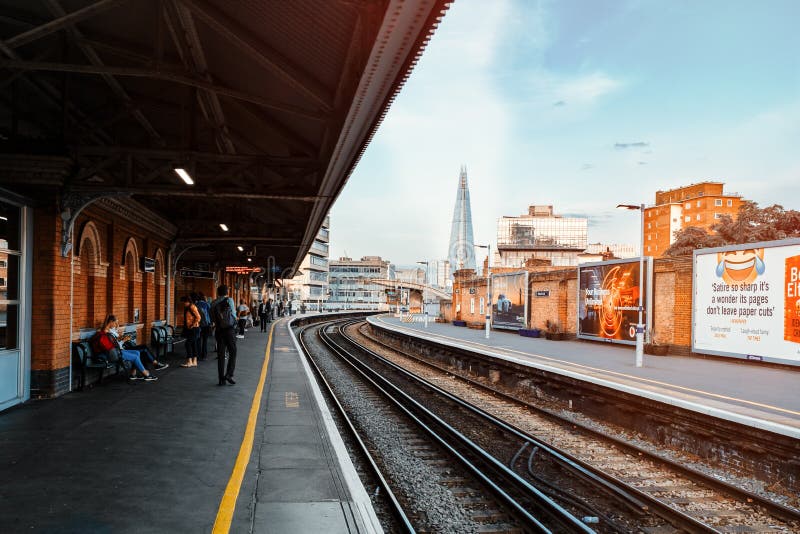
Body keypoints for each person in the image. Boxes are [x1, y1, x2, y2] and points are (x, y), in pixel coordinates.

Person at [90, 315, 158, 381]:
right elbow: (109, 348)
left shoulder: (107, 331)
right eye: (115, 323)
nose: (115, 325)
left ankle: (133, 374)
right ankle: (146, 374)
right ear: (111, 322)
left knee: (137, 352)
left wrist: (120, 339)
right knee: (135, 357)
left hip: (116, 351)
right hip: (112, 354)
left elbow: (114, 343)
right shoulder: (105, 333)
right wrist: (122, 341)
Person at [212, 285, 237, 386]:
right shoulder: (229, 300)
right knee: (233, 352)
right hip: (229, 330)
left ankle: (221, 380)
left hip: (219, 330)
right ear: (227, 292)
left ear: (218, 293)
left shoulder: (213, 303)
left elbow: (212, 318)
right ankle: (229, 374)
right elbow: (234, 315)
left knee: (221, 355)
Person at [181, 295, 201, 368]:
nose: (183, 304)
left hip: (194, 328)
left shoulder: (192, 307)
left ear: (188, 301)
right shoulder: (188, 307)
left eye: (184, 302)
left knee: (188, 344)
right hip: (191, 329)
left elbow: (199, 317)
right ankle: (194, 361)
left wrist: (193, 324)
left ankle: (189, 361)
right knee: (193, 344)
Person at [195, 291, 212, 360]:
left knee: (198, 340)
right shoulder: (207, 304)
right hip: (206, 324)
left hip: (198, 324)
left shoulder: (196, 304)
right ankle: (204, 355)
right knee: (205, 340)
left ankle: (198, 355)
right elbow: (210, 313)